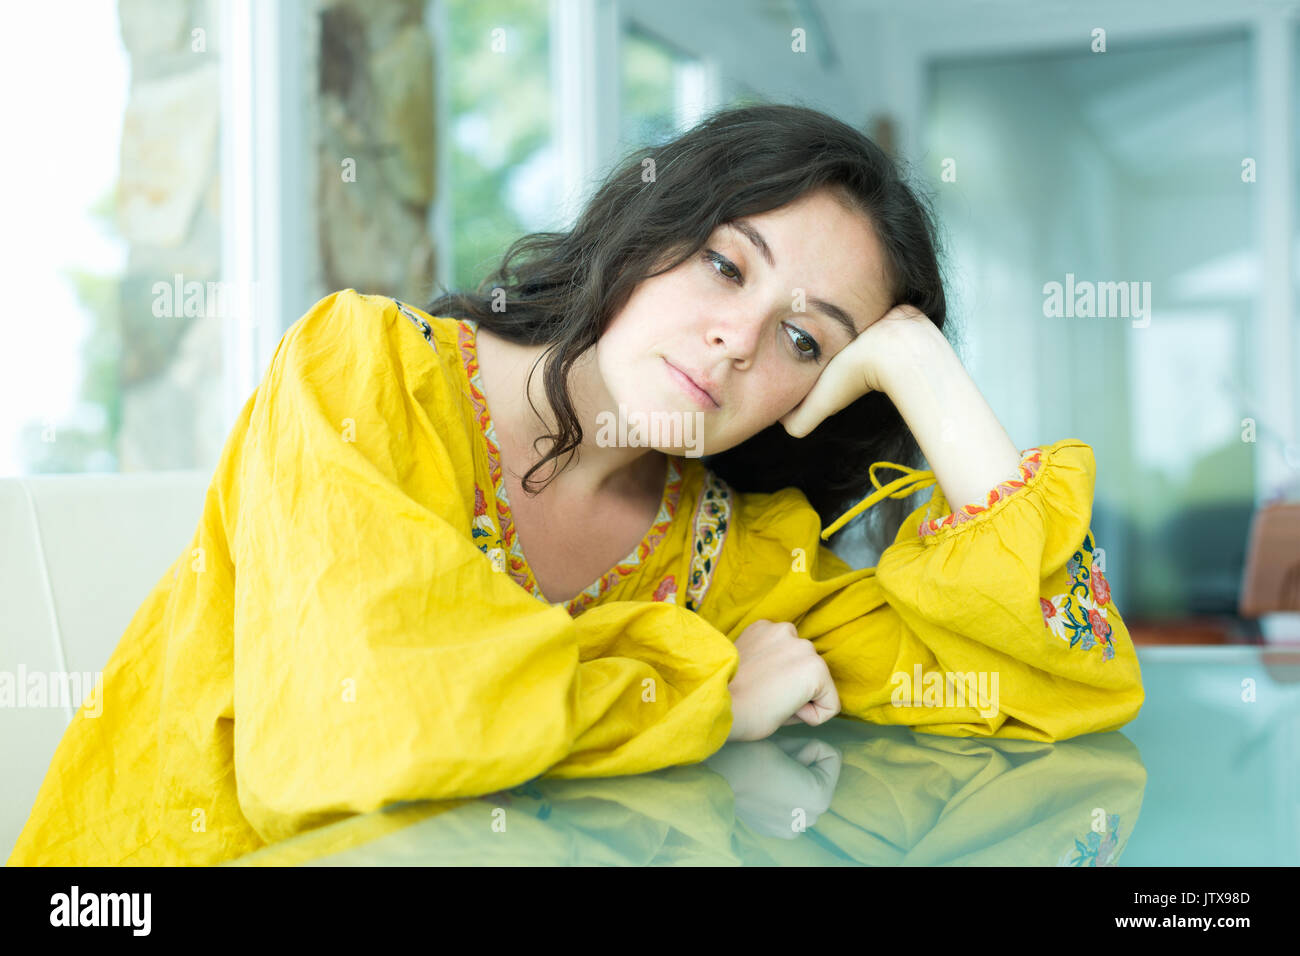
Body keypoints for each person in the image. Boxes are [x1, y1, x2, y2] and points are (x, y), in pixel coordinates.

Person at [7, 103, 1143, 867]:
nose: (739, 339)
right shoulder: (361, 372)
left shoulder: (736, 547)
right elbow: (361, 739)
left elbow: (1059, 678)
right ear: (648, 232)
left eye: (807, 339)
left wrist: (925, 374)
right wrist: (703, 691)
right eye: (722, 264)